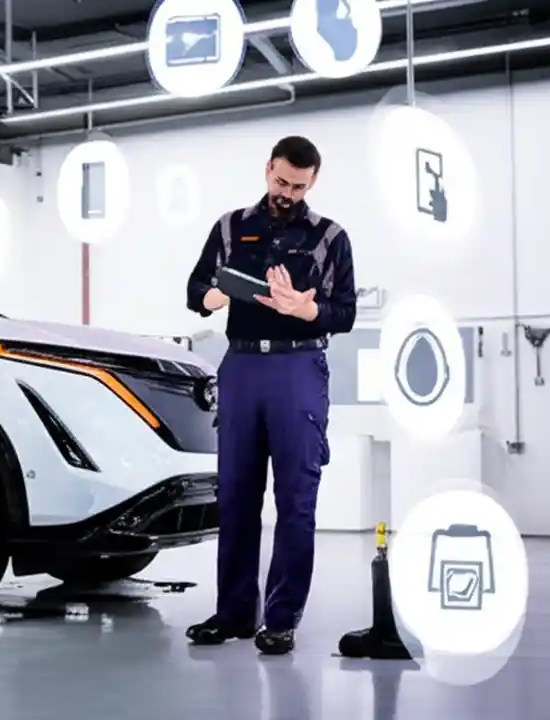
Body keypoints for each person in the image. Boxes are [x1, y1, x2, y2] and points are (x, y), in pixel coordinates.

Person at [183, 136, 357, 655]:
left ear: (313, 183)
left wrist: (304, 310)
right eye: (281, 182)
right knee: (235, 495)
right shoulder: (231, 226)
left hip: (298, 366)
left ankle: (280, 620)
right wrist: (218, 294)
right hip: (240, 365)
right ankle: (234, 613)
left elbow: (343, 311)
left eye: (298, 186)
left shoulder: (330, 237)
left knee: (296, 501)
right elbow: (196, 290)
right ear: (268, 170)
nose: (287, 192)